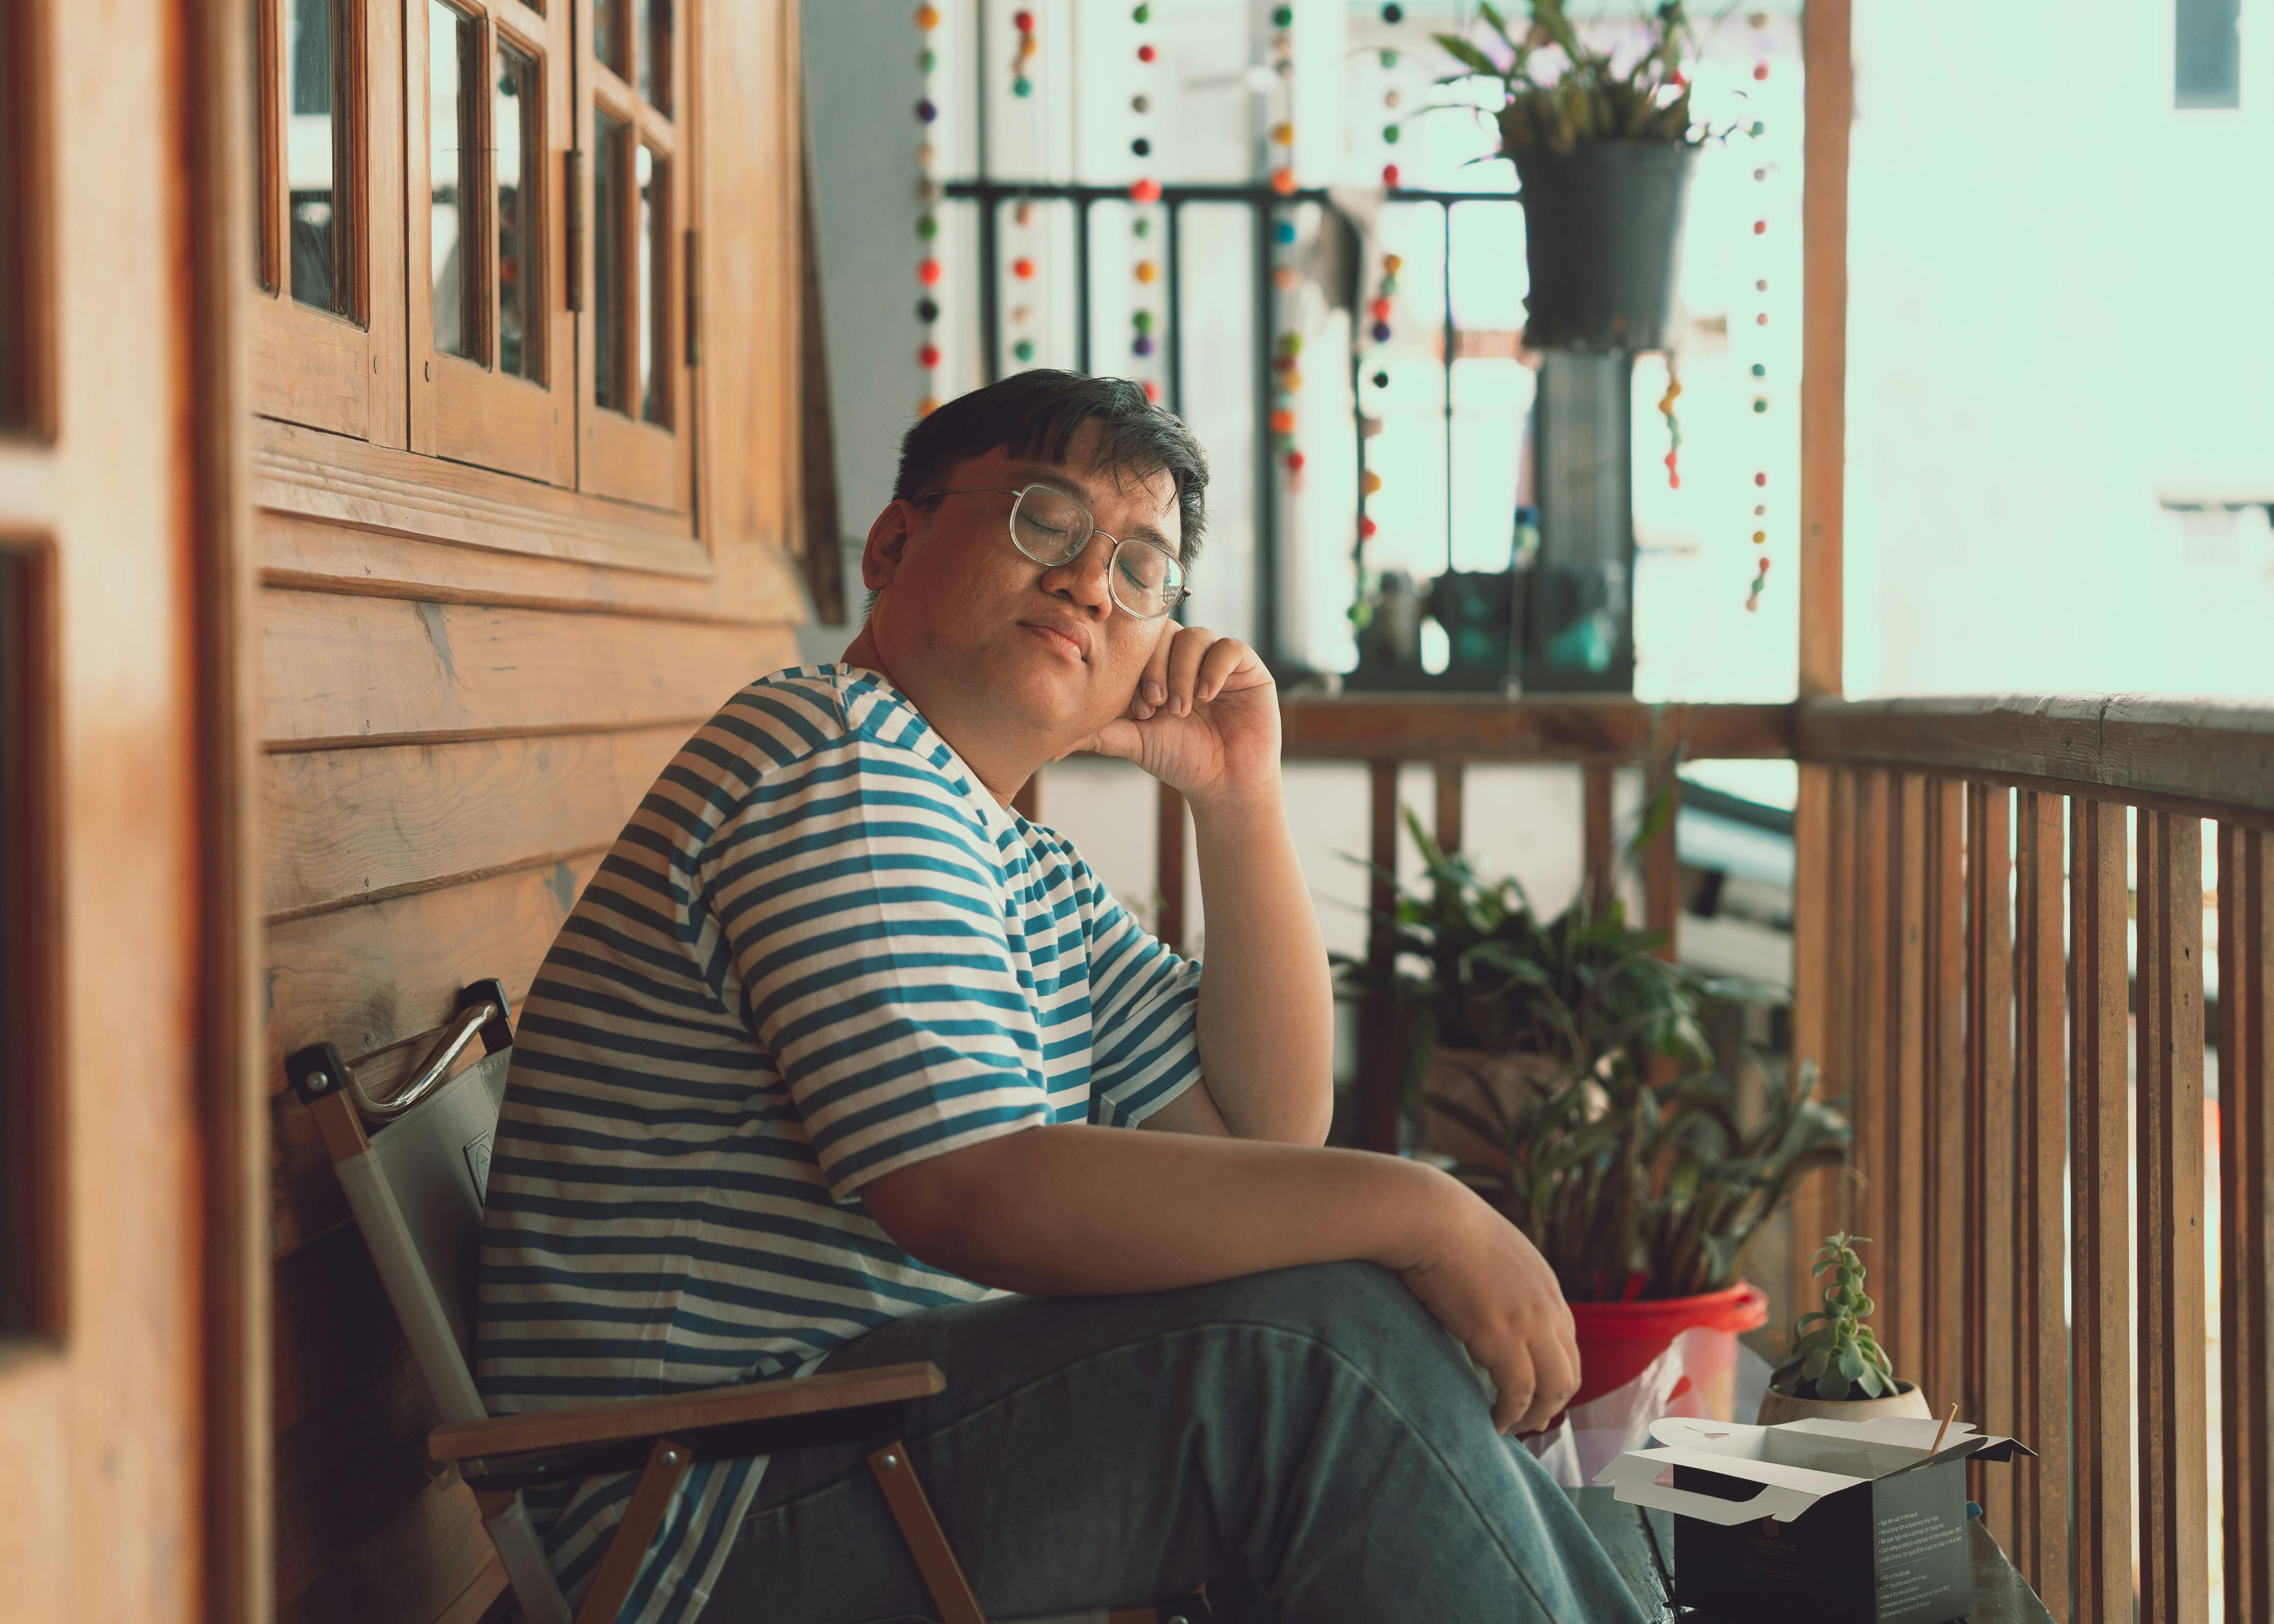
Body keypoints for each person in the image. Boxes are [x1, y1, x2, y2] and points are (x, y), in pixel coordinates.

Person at [475, 370, 1641, 1624]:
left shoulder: (1006, 850)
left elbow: (1261, 1134)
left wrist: (1238, 800)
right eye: (1047, 520)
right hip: (695, 1513)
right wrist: (1426, 1212)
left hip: (812, 1447)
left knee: (1329, 1326)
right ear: (893, 544)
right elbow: (968, 1188)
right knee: (1313, 1353)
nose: (1092, 581)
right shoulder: (838, 764)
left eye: (1143, 567)